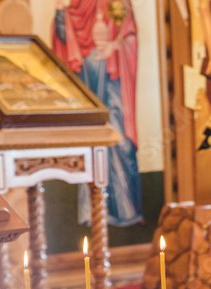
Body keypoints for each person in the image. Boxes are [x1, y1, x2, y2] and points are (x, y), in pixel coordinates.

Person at [51, 0, 143, 227]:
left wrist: (114, 47)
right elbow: (62, 39)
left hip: (113, 80)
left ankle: (127, 211)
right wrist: (61, 11)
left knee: (121, 144)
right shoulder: (75, 5)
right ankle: (90, 212)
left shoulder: (118, 3)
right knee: (89, 144)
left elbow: (130, 35)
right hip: (86, 80)